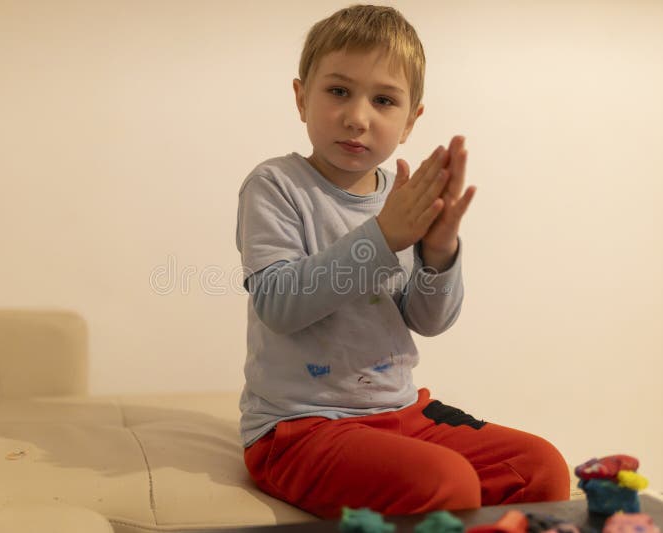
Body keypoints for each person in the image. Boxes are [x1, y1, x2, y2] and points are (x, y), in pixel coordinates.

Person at [235, 4, 569, 518]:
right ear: (302, 98)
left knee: (540, 467)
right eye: (338, 91)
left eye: (384, 100)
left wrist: (438, 252)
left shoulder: (402, 195)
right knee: (446, 482)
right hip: (298, 428)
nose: (357, 116)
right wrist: (383, 236)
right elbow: (279, 304)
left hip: (400, 412)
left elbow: (429, 321)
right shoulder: (276, 185)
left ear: (411, 121)